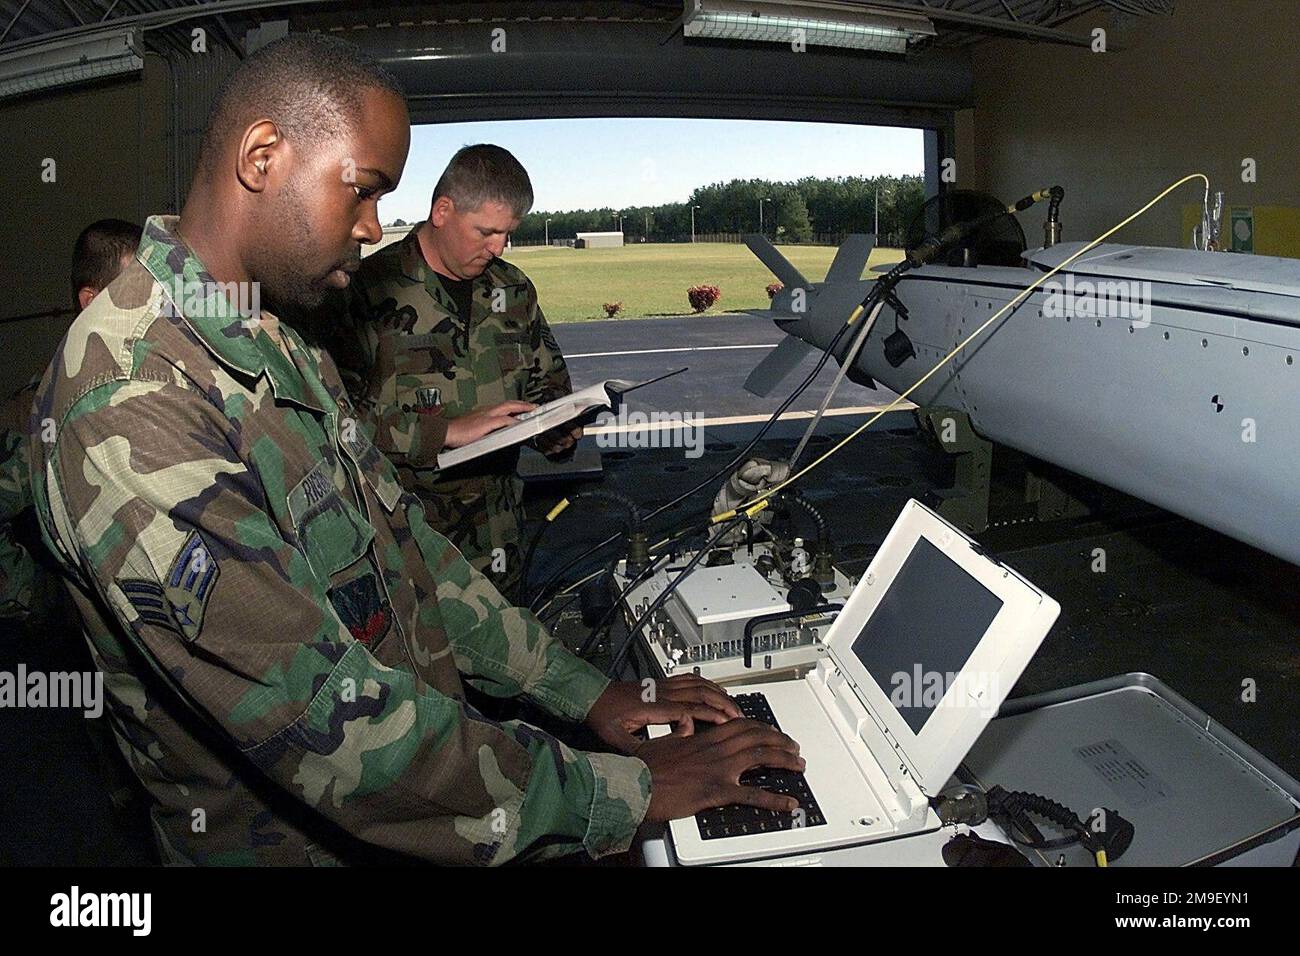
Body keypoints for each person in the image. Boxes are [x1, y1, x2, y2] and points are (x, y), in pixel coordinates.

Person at [29, 33, 802, 866]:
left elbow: (402, 549)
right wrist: (620, 790)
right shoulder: (134, 403)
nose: (371, 225)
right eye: (363, 191)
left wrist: (585, 692)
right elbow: (334, 729)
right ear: (263, 155)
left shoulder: (276, 338)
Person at [329, 144, 579, 603]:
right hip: (408, 541)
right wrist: (444, 432)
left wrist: (554, 426)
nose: (498, 247)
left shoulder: (513, 289)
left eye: (507, 233)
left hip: (502, 537)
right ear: (442, 210)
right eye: (486, 231)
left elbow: (548, 378)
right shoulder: (364, 294)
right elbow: (333, 427)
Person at [1, 218, 141, 623]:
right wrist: (35, 592)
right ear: (90, 301)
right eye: (134, 292)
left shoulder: (135, 381)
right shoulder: (51, 410)